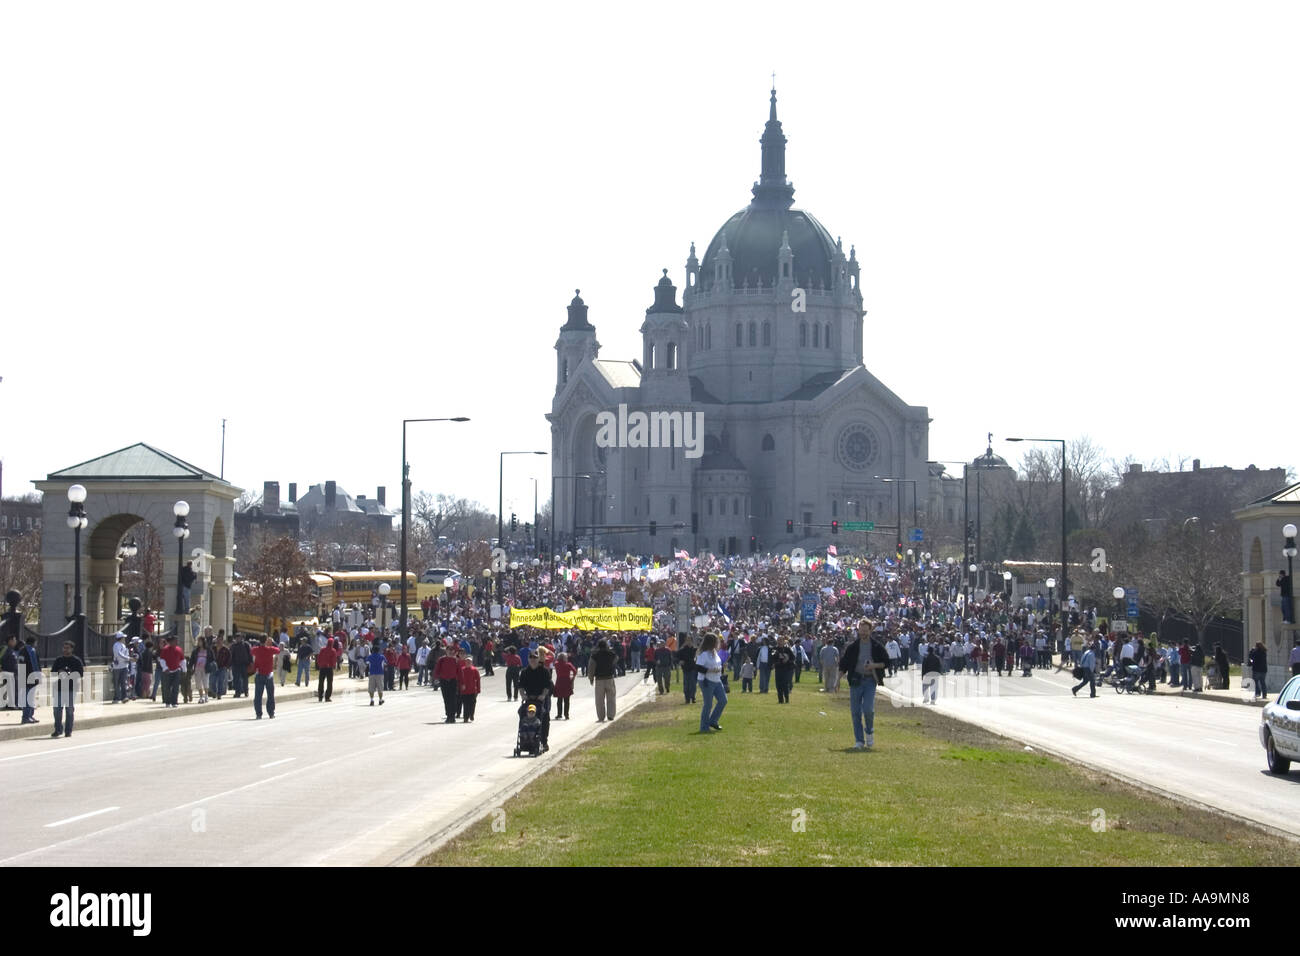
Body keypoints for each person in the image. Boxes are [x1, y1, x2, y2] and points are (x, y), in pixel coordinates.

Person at [838, 625, 888, 750]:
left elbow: (886, 662)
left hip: (870, 681)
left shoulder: (876, 646)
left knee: (868, 709)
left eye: (866, 630)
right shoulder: (853, 647)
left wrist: (873, 665)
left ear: (870, 631)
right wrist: (837, 680)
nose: (863, 633)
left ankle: (869, 731)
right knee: (855, 712)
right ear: (858, 630)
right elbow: (844, 665)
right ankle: (859, 741)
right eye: (861, 630)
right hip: (856, 681)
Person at [517, 651, 554, 751]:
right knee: (522, 713)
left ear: (538, 659)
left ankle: (544, 741)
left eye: (535, 657)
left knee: (544, 717)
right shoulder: (524, 672)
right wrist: (523, 695)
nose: (533, 659)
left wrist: (543, 695)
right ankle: (525, 739)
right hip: (529, 699)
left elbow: (548, 685)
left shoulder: (544, 671)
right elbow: (520, 685)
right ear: (528, 659)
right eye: (531, 657)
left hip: (541, 699)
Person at [47, 639, 82, 738]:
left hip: (71, 688)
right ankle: (58, 730)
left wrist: (70, 674)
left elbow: (80, 674)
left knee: (69, 710)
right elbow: (53, 673)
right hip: (58, 688)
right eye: (64, 648)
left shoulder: (76, 660)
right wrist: (60, 672)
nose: (65, 650)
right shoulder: (59, 660)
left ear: (72, 649)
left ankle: (68, 730)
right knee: (57, 710)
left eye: (68, 648)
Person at [695, 633, 727, 732]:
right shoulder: (704, 654)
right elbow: (698, 667)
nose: (718, 643)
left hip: (717, 680)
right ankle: (704, 727)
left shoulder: (714, 653)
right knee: (708, 704)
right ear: (712, 643)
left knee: (723, 700)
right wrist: (709, 670)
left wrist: (721, 668)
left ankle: (713, 720)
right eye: (717, 641)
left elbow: (717, 664)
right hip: (706, 681)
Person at [588, 638, 618, 722]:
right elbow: (616, 659)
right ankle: (611, 715)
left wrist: (591, 678)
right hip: (609, 678)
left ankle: (601, 717)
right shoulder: (611, 654)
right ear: (606, 646)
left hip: (599, 680)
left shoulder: (594, 655)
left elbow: (591, 667)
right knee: (611, 698)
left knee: (599, 700)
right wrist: (611, 666)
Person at [250, 635, 280, 718]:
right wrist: (272, 642)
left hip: (259, 674)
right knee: (270, 695)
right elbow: (278, 650)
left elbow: (251, 651)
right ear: (266, 640)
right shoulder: (270, 649)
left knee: (258, 696)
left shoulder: (256, 650)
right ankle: (271, 713)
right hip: (268, 675)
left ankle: (258, 714)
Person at [434, 645, 461, 721]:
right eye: (448, 650)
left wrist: (462, 683)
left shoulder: (456, 660)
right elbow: (437, 670)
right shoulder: (441, 660)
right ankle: (448, 715)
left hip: (453, 681)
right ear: (446, 651)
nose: (450, 651)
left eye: (451, 650)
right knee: (446, 699)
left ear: (453, 651)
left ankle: (452, 716)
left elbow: (459, 672)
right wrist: (436, 678)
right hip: (444, 681)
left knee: (453, 699)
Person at [158, 635, 185, 709]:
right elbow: (162, 660)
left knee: (175, 687)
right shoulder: (165, 649)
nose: (177, 642)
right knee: (167, 687)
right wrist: (165, 668)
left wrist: (184, 669)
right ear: (171, 641)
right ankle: (167, 702)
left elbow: (182, 660)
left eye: (177, 641)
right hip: (167, 671)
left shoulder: (179, 649)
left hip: (176, 671)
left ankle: (174, 702)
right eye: (175, 641)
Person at [20, 636, 41, 724]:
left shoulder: (22, 650)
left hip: (24, 676)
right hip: (31, 677)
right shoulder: (31, 651)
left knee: (28, 697)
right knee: (29, 697)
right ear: (33, 642)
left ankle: (29, 716)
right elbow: (34, 664)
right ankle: (27, 716)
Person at [457, 649, 481, 722]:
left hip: (473, 690)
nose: (468, 663)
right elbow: (459, 680)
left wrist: (478, 689)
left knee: (472, 704)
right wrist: (460, 688)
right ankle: (465, 717)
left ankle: (471, 714)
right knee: (465, 704)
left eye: (469, 662)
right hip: (464, 691)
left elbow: (478, 680)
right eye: (467, 662)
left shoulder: (475, 670)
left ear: (471, 663)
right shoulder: (462, 670)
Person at [771, 636, 796, 704]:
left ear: (783, 641)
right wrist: (778, 661)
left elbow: (793, 658)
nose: (779, 642)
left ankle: (787, 699)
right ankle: (780, 700)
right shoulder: (774, 649)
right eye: (778, 640)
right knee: (778, 685)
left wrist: (787, 660)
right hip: (778, 669)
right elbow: (772, 658)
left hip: (786, 669)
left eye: (781, 640)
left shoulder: (787, 649)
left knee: (785, 685)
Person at [109, 631, 132, 704]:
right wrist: (128, 658)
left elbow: (125, 653)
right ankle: (116, 698)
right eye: (123, 637)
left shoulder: (123, 645)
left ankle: (124, 697)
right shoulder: (116, 645)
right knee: (116, 683)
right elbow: (119, 654)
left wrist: (128, 659)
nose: (124, 639)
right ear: (121, 638)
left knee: (123, 682)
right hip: (117, 667)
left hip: (124, 666)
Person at [553, 652, 576, 719]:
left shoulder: (556, 664)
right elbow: (574, 671)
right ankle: (566, 715)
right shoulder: (568, 665)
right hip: (567, 682)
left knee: (559, 700)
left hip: (559, 682)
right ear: (564, 658)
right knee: (567, 700)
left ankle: (559, 714)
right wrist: (571, 679)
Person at [229, 633, 252, 698]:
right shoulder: (233, 646)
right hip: (235, 664)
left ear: (241, 638)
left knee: (245, 679)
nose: (238, 639)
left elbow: (249, 654)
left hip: (244, 664)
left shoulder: (246, 645)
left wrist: (250, 662)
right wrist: (230, 664)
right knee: (236, 679)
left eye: (239, 637)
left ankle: (246, 691)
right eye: (236, 638)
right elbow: (231, 655)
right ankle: (237, 692)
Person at [189, 635, 210, 704]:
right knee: (198, 684)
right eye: (198, 641)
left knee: (205, 683)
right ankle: (201, 697)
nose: (198, 642)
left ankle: (206, 695)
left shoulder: (208, 650)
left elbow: (212, 658)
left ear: (203, 642)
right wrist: (190, 667)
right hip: (197, 669)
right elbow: (192, 660)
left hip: (205, 669)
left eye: (200, 641)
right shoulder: (195, 651)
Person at [677, 637, 698, 704]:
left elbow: (698, 657)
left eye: (690, 640)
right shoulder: (682, 650)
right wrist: (679, 661)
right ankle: (687, 699)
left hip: (693, 669)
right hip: (685, 669)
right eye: (687, 640)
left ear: (692, 641)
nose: (688, 642)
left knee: (693, 684)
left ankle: (693, 697)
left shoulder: (695, 650)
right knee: (686, 685)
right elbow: (676, 657)